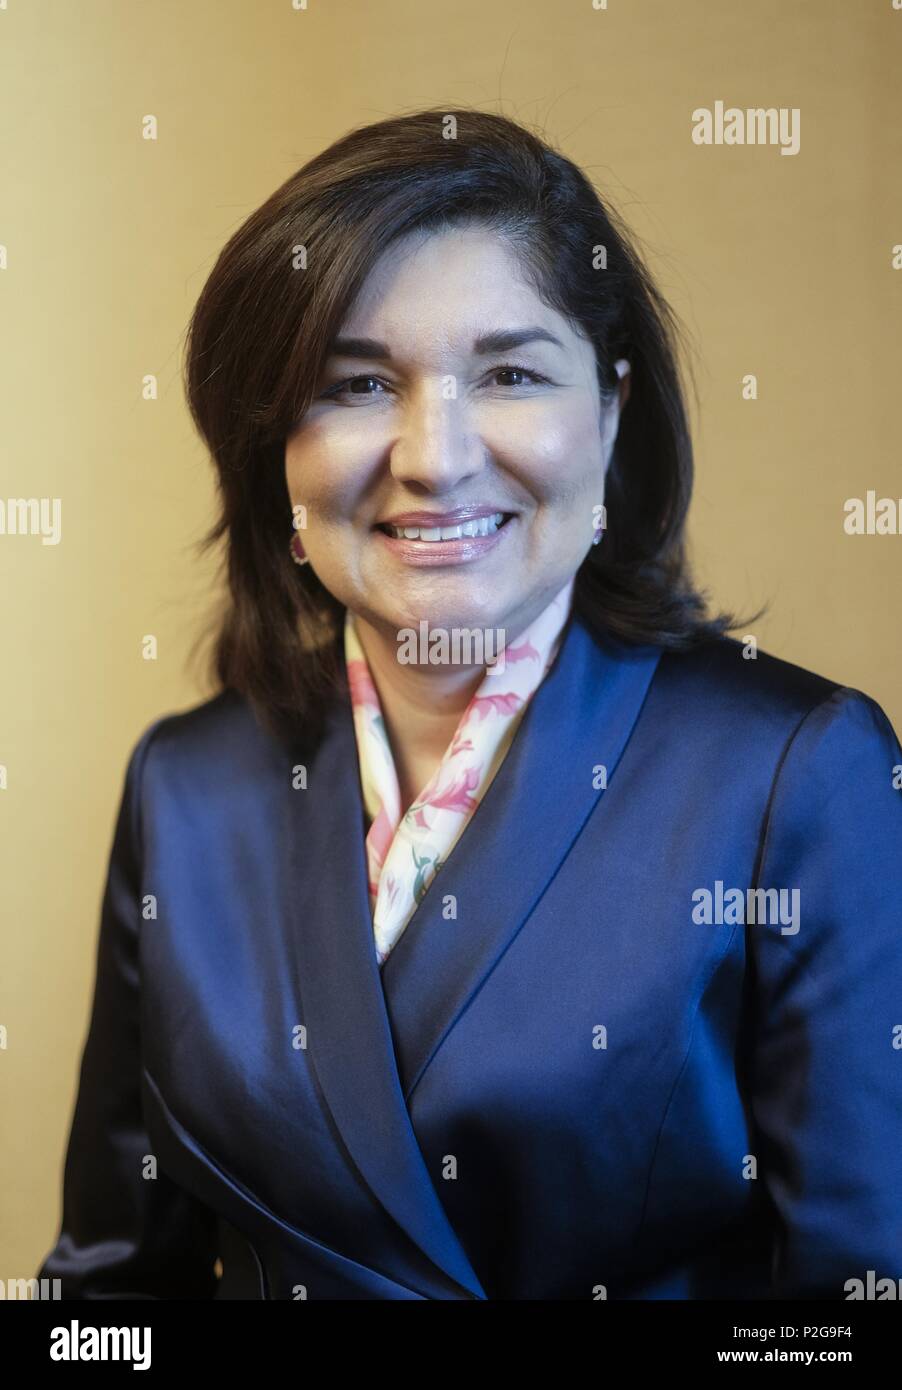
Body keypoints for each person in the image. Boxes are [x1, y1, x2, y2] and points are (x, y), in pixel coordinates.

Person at [37, 107, 902, 1300]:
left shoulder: (792, 770)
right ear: (271, 448)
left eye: (506, 372)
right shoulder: (184, 787)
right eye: (353, 382)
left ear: (605, 412)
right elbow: (110, 1295)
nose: (432, 456)